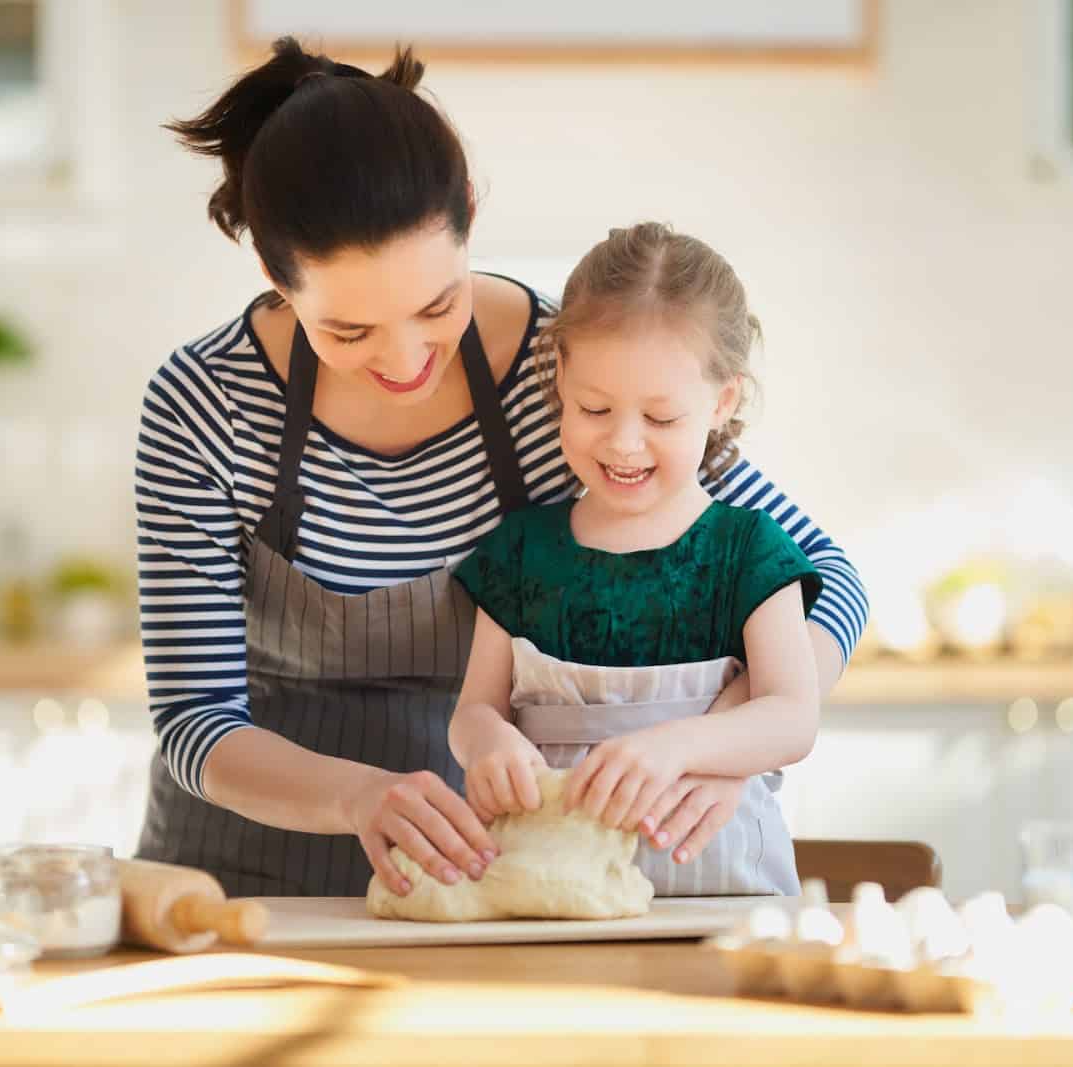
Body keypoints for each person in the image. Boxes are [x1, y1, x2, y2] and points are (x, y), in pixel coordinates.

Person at [133, 37, 869, 898]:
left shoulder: (567, 372)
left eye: (436, 304)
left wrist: (723, 750)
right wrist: (357, 794)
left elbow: (831, 582)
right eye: (348, 332)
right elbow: (194, 721)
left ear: (471, 213)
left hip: (487, 867)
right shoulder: (202, 403)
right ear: (272, 273)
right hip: (242, 874)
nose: (406, 359)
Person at [448, 222, 818, 896]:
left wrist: (678, 746)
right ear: (560, 377)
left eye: (661, 418)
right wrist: (486, 746)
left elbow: (793, 714)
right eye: (594, 407)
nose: (623, 443)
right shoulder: (521, 549)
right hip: (545, 901)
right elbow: (475, 708)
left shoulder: (750, 550)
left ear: (722, 401)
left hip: (722, 901)